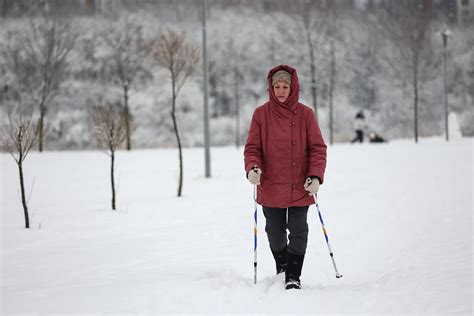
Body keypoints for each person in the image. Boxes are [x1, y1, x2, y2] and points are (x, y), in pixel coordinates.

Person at [244, 65, 327, 290]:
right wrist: (253, 168)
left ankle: (293, 275)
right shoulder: (261, 114)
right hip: (270, 184)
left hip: (301, 184)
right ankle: (282, 266)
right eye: (277, 86)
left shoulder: (306, 114)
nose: (281, 91)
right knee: (275, 232)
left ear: (293, 88)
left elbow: (318, 148)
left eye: (285, 86)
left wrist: (315, 176)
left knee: (299, 229)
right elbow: (253, 148)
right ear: (271, 88)